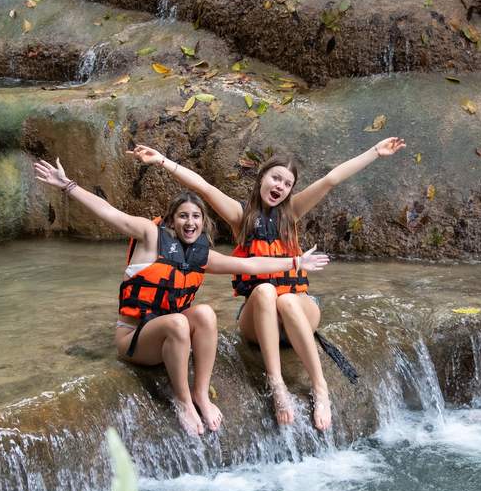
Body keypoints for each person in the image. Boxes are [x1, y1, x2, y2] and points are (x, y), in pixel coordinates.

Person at [32, 158, 330, 436]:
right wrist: (68, 186)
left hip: (172, 334)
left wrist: (296, 263)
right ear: (172, 221)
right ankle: (184, 401)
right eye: (183, 216)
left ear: (203, 224)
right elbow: (110, 213)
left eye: (196, 217)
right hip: (135, 338)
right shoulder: (150, 235)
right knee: (177, 322)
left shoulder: (200, 255)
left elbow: (250, 265)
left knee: (205, 314)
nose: (190, 222)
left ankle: (201, 393)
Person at [127, 137, 406, 430]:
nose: (280, 186)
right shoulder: (240, 217)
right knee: (264, 290)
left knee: (285, 299)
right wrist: (162, 161)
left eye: (287, 184)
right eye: (275, 178)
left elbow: (331, 179)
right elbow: (204, 189)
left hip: (298, 309)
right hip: (259, 318)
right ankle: (278, 386)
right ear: (261, 178)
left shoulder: (293, 212)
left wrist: (375, 151)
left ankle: (320, 387)